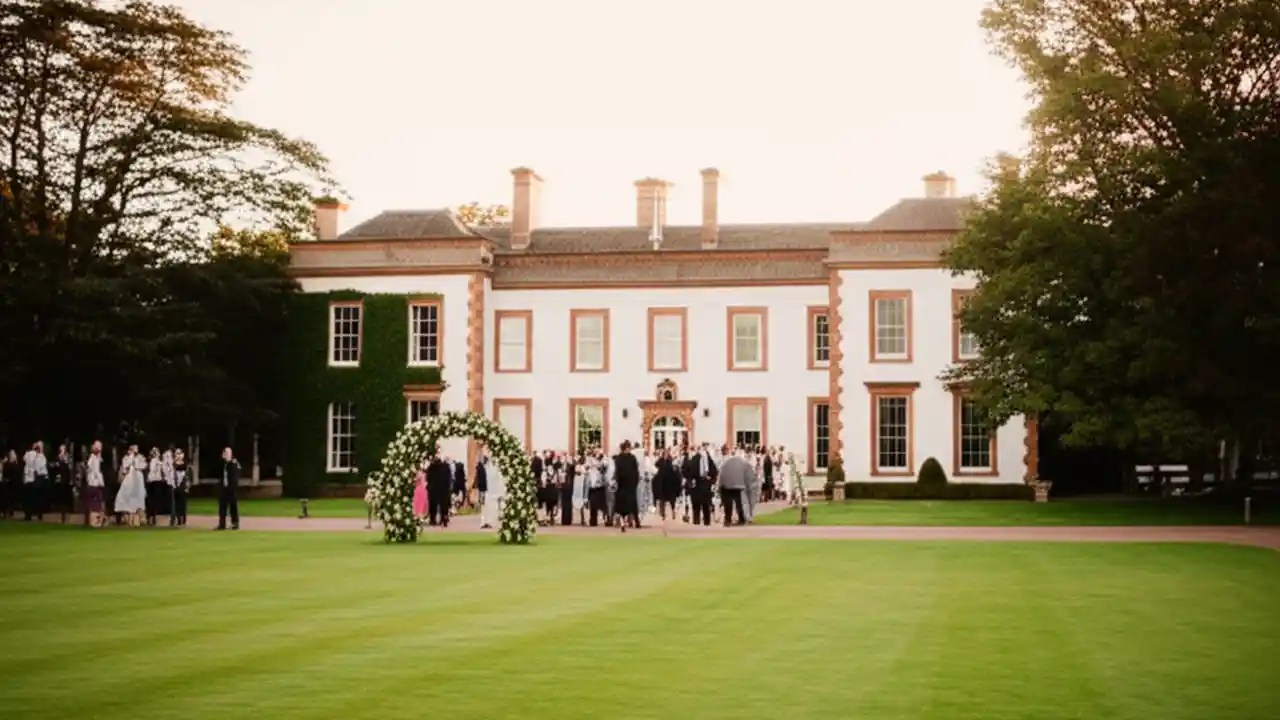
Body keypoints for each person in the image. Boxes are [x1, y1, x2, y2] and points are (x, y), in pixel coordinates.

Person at [114, 445, 147, 526]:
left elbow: (143, 465)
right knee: (126, 498)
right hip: (129, 480)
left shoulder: (140, 457)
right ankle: (127, 518)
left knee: (137, 498)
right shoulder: (126, 458)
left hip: (138, 481)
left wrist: (136, 463)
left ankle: (136, 519)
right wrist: (131, 457)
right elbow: (125, 466)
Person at [612, 440, 641, 530]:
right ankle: (635, 521)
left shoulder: (618, 459)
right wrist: (636, 482)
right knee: (632, 504)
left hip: (622, 484)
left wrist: (616, 481)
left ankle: (622, 522)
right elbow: (636, 472)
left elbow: (616, 472)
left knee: (621, 506)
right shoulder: (632, 458)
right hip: (630, 485)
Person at [719, 449, 749, 526]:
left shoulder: (725, 463)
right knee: (738, 503)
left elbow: (721, 475)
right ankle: (741, 519)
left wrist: (720, 486)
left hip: (727, 485)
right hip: (736, 485)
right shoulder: (739, 463)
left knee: (728, 504)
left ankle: (728, 520)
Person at [215, 446, 240, 530]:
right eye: (225, 453)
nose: (226, 455)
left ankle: (235, 523)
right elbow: (219, 475)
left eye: (228, 453)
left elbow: (235, 478)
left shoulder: (234, 464)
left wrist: (232, 488)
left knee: (233, 507)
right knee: (222, 507)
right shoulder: (223, 464)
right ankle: (222, 524)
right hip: (223, 488)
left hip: (231, 489)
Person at [49, 444, 74, 523]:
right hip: (59, 481)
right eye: (61, 449)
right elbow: (54, 468)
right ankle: (60, 514)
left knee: (66, 498)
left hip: (66, 481)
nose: (62, 450)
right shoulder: (57, 458)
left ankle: (65, 514)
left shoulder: (68, 458)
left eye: (64, 449)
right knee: (60, 498)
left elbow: (70, 469)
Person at [480, 452, 505, 531]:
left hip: (497, 489)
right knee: (486, 506)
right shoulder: (485, 467)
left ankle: (497, 520)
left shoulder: (497, 467)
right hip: (488, 489)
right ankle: (486, 522)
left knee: (499, 506)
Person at [426, 452, 451, 528]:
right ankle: (444, 518)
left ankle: (433, 520)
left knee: (433, 505)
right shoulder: (446, 467)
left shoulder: (431, 467)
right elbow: (448, 478)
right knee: (444, 505)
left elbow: (428, 478)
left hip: (434, 489)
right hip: (443, 489)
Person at [85, 441, 107, 527]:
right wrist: (101, 482)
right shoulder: (93, 458)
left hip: (94, 483)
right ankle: (95, 521)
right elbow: (95, 472)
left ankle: (100, 519)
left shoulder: (97, 458)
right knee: (95, 502)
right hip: (94, 483)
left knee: (98, 502)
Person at [145, 447, 166, 526]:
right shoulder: (154, 461)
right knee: (152, 500)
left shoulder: (157, 462)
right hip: (153, 481)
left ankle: (152, 517)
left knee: (153, 500)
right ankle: (151, 517)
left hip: (155, 481)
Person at [170, 448, 191, 527]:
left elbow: (187, 474)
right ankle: (178, 520)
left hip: (183, 485)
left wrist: (187, 486)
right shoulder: (173, 464)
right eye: (177, 453)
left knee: (183, 503)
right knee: (177, 504)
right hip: (176, 486)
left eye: (180, 453)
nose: (178, 455)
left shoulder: (185, 464)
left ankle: (184, 520)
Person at [586, 451, 607, 527]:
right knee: (593, 505)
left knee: (601, 505)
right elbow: (587, 467)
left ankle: (604, 519)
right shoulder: (590, 465)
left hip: (600, 487)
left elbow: (604, 467)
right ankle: (593, 521)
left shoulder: (602, 463)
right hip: (593, 487)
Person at [2, 450, 22, 519]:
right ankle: (9, 511)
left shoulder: (11, 465)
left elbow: (6, 473)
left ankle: (8, 511)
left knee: (9, 498)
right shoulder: (14, 464)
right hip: (12, 483)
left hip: (11, 484)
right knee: (10, 499)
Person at [559, 452, 576, 526]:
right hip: (564, 485)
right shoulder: (562, 466)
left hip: (569, 485)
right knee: (564, 503)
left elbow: (573, 468)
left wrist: (571, 461)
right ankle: (564, 520)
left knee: (568, 503)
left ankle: (568, 520)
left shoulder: (571, 466)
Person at [475, 452, 491, 528]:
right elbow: (480, 479)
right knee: (483, 506)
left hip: (484, 489)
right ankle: (483, 522)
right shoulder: (481, 468)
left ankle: (486, 521)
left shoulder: (481, 468)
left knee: (485, 506)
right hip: (483, 489)